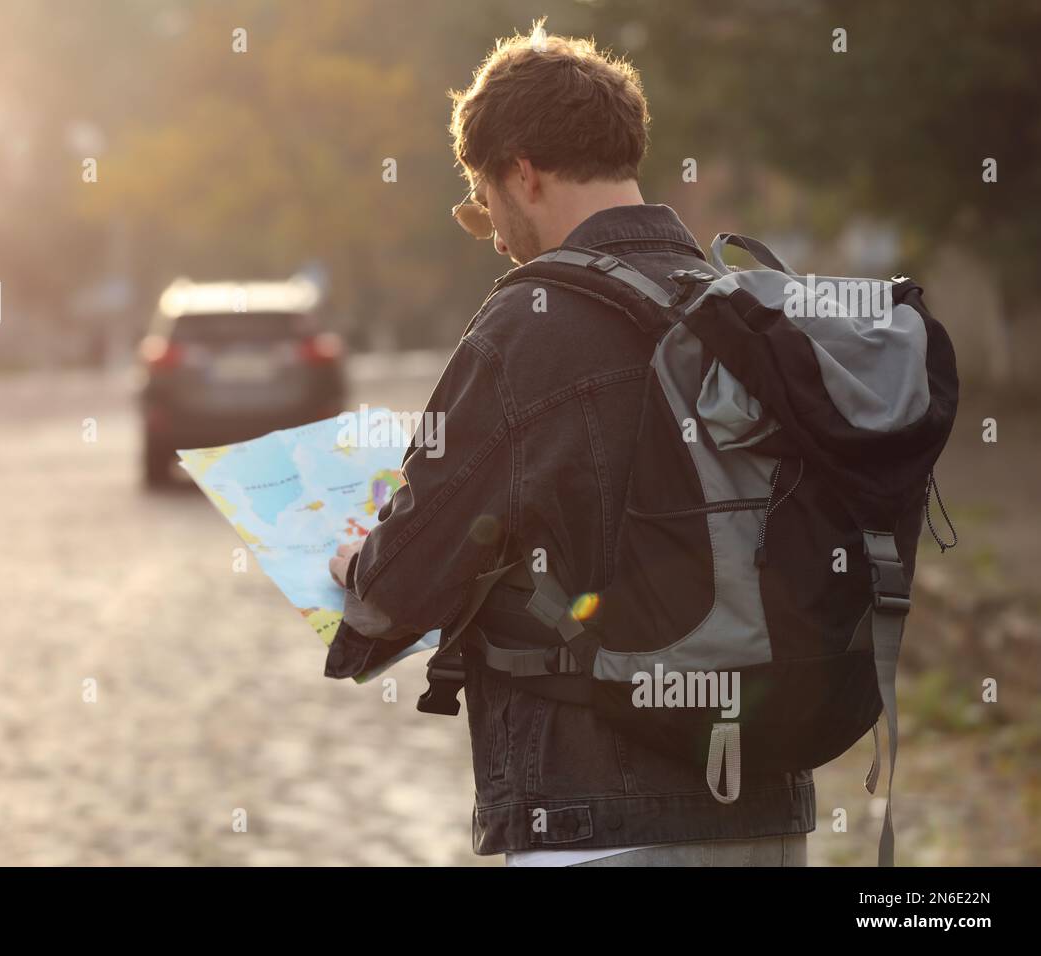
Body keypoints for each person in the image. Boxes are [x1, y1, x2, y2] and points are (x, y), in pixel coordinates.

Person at [326, 21, 812, 867]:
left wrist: (357, 568)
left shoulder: (527, 328)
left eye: (486, 201)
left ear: (522, 172)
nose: (497, 234)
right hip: (769, 809)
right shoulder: (745, 310)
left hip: (595, 822)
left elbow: (401, 590)